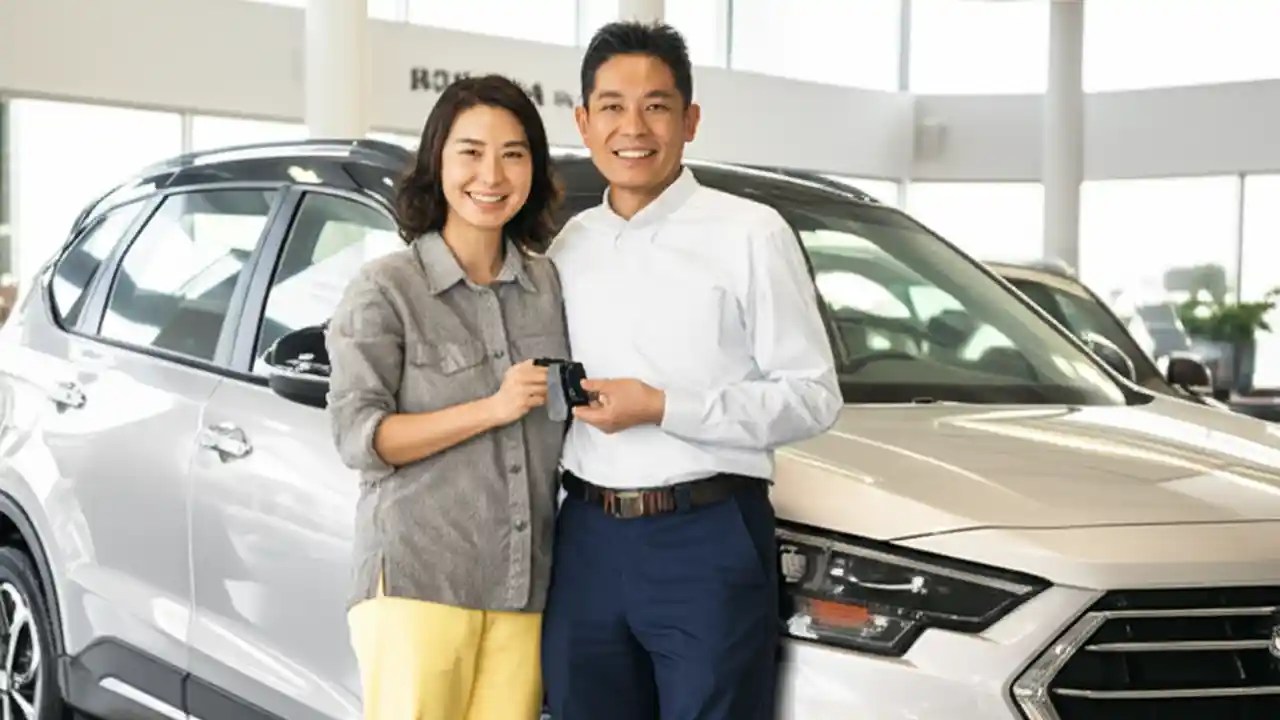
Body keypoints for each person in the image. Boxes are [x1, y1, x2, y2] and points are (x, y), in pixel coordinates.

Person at [541, 20, 842, 720]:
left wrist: (663, 406)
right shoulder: (569, 244)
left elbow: (812, 396)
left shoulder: (750, 231)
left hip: (705, 538)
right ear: (584, 122)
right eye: (612, 106)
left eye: (657, 104)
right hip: (584, 537)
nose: (633, 126)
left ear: (691, 119)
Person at [326, 74, 567, 720]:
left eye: (513, 153)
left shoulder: (551, 287)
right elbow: (363, 439)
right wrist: (493, 406)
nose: (492, 174)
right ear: (437, 160)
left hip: (522, 592)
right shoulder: (386, 289)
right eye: (471, 151)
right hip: (419, 583)